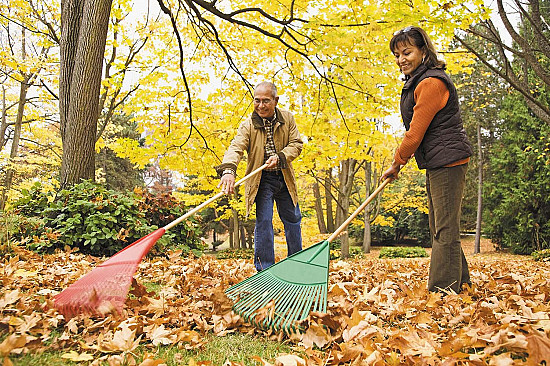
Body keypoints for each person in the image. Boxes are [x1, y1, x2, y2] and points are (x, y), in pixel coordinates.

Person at [380, 26, 473, 294]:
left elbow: (415, 133)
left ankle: (442, 291)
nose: (401, 59)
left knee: (444, 229)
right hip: (437, 161)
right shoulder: (419, 81)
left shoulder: (432, 83)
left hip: (448, 162)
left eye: (407, 52)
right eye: (397, 55)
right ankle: (462, 283)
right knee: (442, 227)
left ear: (423, 51)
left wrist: (397, 163)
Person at [216, 81, 303, 272]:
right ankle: (265, 269)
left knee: (293, 219)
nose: (261, 105)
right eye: (257, 101)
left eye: (266, 101)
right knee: (264, 222)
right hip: (262, 181)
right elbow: (236, 148)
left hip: (284, 177)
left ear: (275, 100)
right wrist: (229, 171)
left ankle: (296, 264)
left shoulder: (287, 119)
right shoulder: (248, 125)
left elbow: (297, 144)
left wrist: (280, 157)